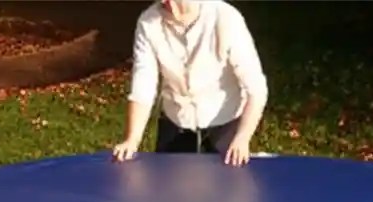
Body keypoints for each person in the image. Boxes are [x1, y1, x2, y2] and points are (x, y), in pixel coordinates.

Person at [111, 0, 268, 167]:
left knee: (227, 189)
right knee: (168, 189)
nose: (167, 3)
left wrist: (242, 139)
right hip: (175, 123)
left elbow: (256, 88)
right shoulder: (148, 23)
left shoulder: (226, 18)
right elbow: (143, 84)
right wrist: (132, 140)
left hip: (224, 126)